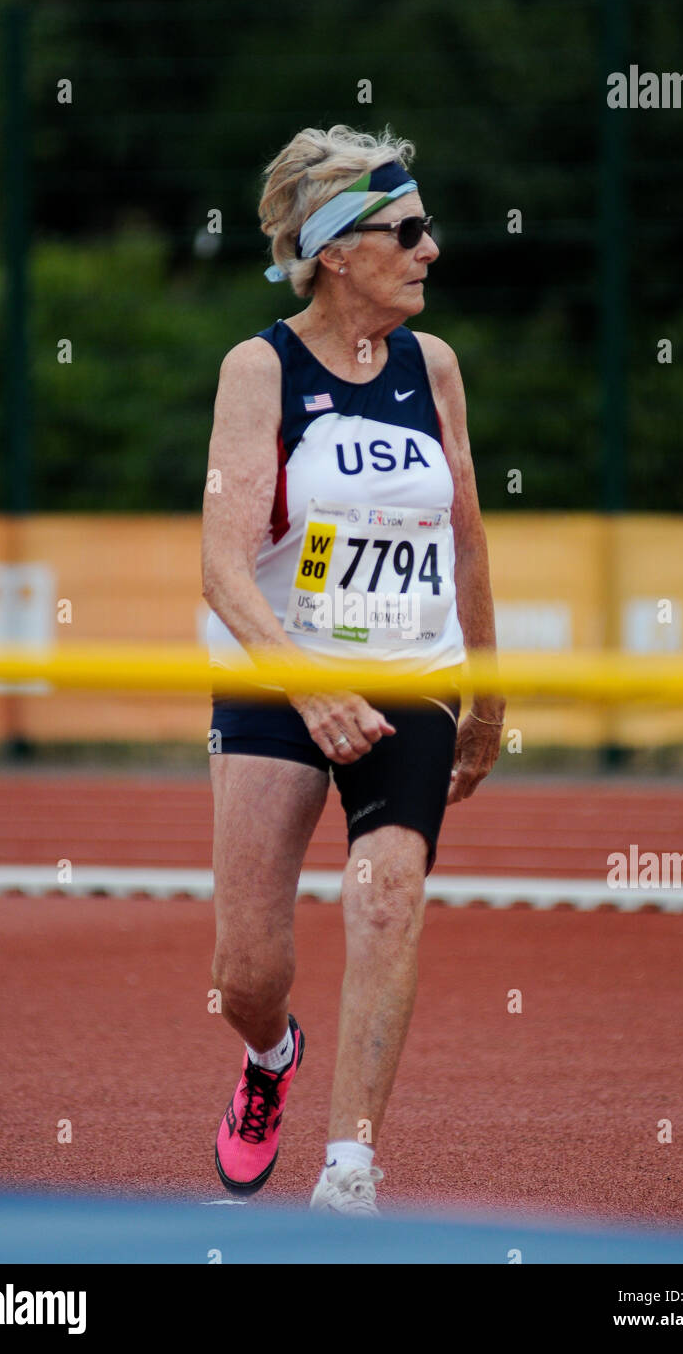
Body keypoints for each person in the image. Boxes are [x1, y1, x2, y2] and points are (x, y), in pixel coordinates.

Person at [202, 124, 505, 1216]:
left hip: (408, 673)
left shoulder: (434, 367)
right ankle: (270, 1057)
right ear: (334, 250)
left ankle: (350, 1171)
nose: (431, 250)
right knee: (245, 971)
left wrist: (486, 690)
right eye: (408, 231)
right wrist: (303, 681)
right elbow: (219, 564)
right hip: (283, 675)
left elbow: (464, 530)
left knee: (385, 896)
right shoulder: (260, 368)